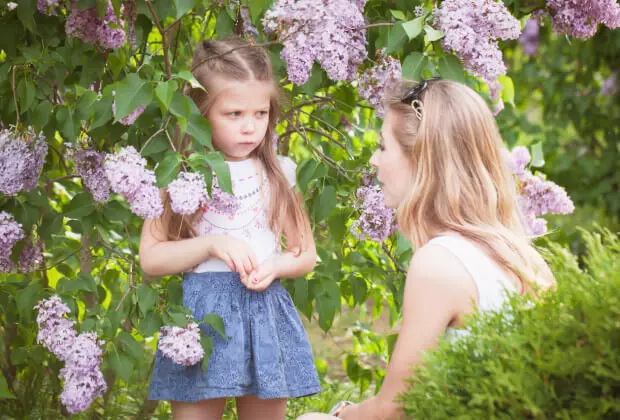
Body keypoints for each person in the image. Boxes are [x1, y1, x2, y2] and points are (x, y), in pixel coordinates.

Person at [299, 78, 555, 420]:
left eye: (382, 146)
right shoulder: (525, 257)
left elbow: (394, 410)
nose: (373, 161)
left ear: (422, 159)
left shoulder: (439, 262)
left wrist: (338, 414)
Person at [139, 39, 321, 420]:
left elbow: (306, 254)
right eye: (234, 113)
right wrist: (211, 243)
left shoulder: (279, 175)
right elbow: (152, 259)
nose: (250, 127)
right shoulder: (178, 173)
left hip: (264, 315)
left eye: (260, 113)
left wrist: (276, 265)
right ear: (201, 112)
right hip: (202, 321)